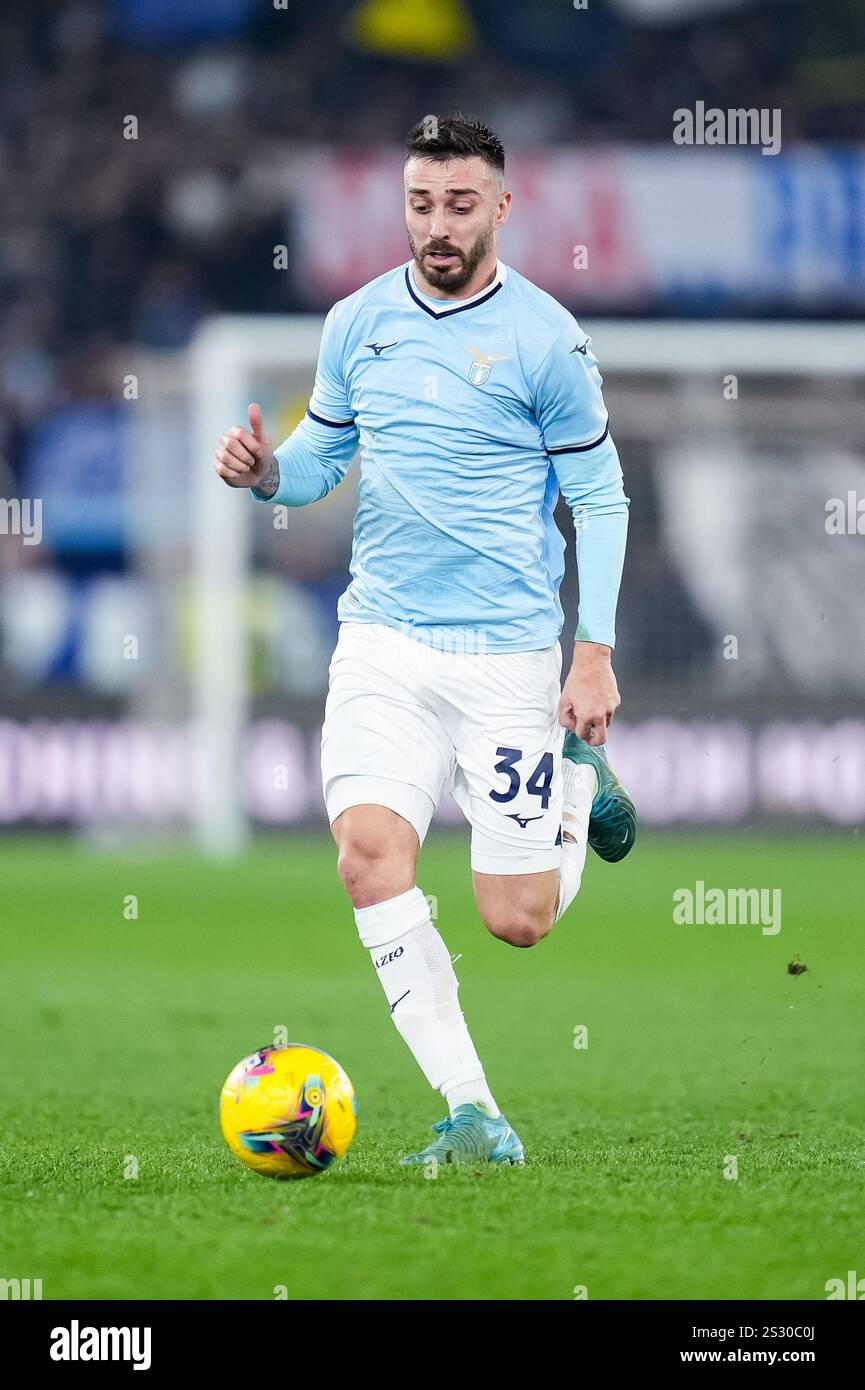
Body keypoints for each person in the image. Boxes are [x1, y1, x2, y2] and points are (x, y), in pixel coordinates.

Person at [213, 114, 635, 1167]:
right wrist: (270, 474)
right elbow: (320, 460)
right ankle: (472, 1113)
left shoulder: (547, 340)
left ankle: (575, 788)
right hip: (384, 644)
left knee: (518, 919)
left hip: (506, 658)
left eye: (457, 204)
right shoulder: (357, 322)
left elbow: (603, 498)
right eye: (418, 203)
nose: (436, 226)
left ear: (501, 207)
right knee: (367, 859)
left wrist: (593, 651)